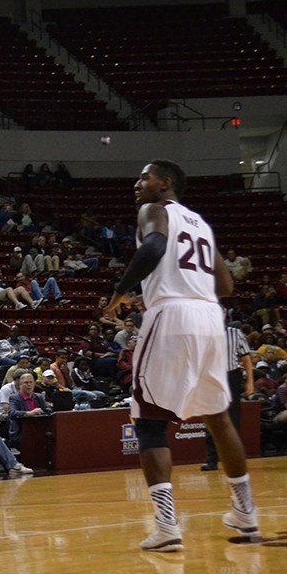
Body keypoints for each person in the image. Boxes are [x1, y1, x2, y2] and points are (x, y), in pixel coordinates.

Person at [102, 160, 259, 552]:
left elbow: (153, 245)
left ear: (165, 183)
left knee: (149, 421)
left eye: (144, 177)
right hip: (210, 318)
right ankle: (246, 512)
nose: (137, 184)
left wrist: (123, 290)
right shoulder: (200, 224)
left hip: (171, 314)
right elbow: (226, 285)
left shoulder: (154, 211)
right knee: (219, 419)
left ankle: (167, 525)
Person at [202, 325, 256, 471]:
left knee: (233, 419)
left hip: (231, 376)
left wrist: (250, 381)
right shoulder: (202, 332)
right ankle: (211, 459)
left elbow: (246, 358)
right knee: (211, 416)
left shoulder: (235, 333)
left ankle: (234, 459)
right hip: (210, 377)